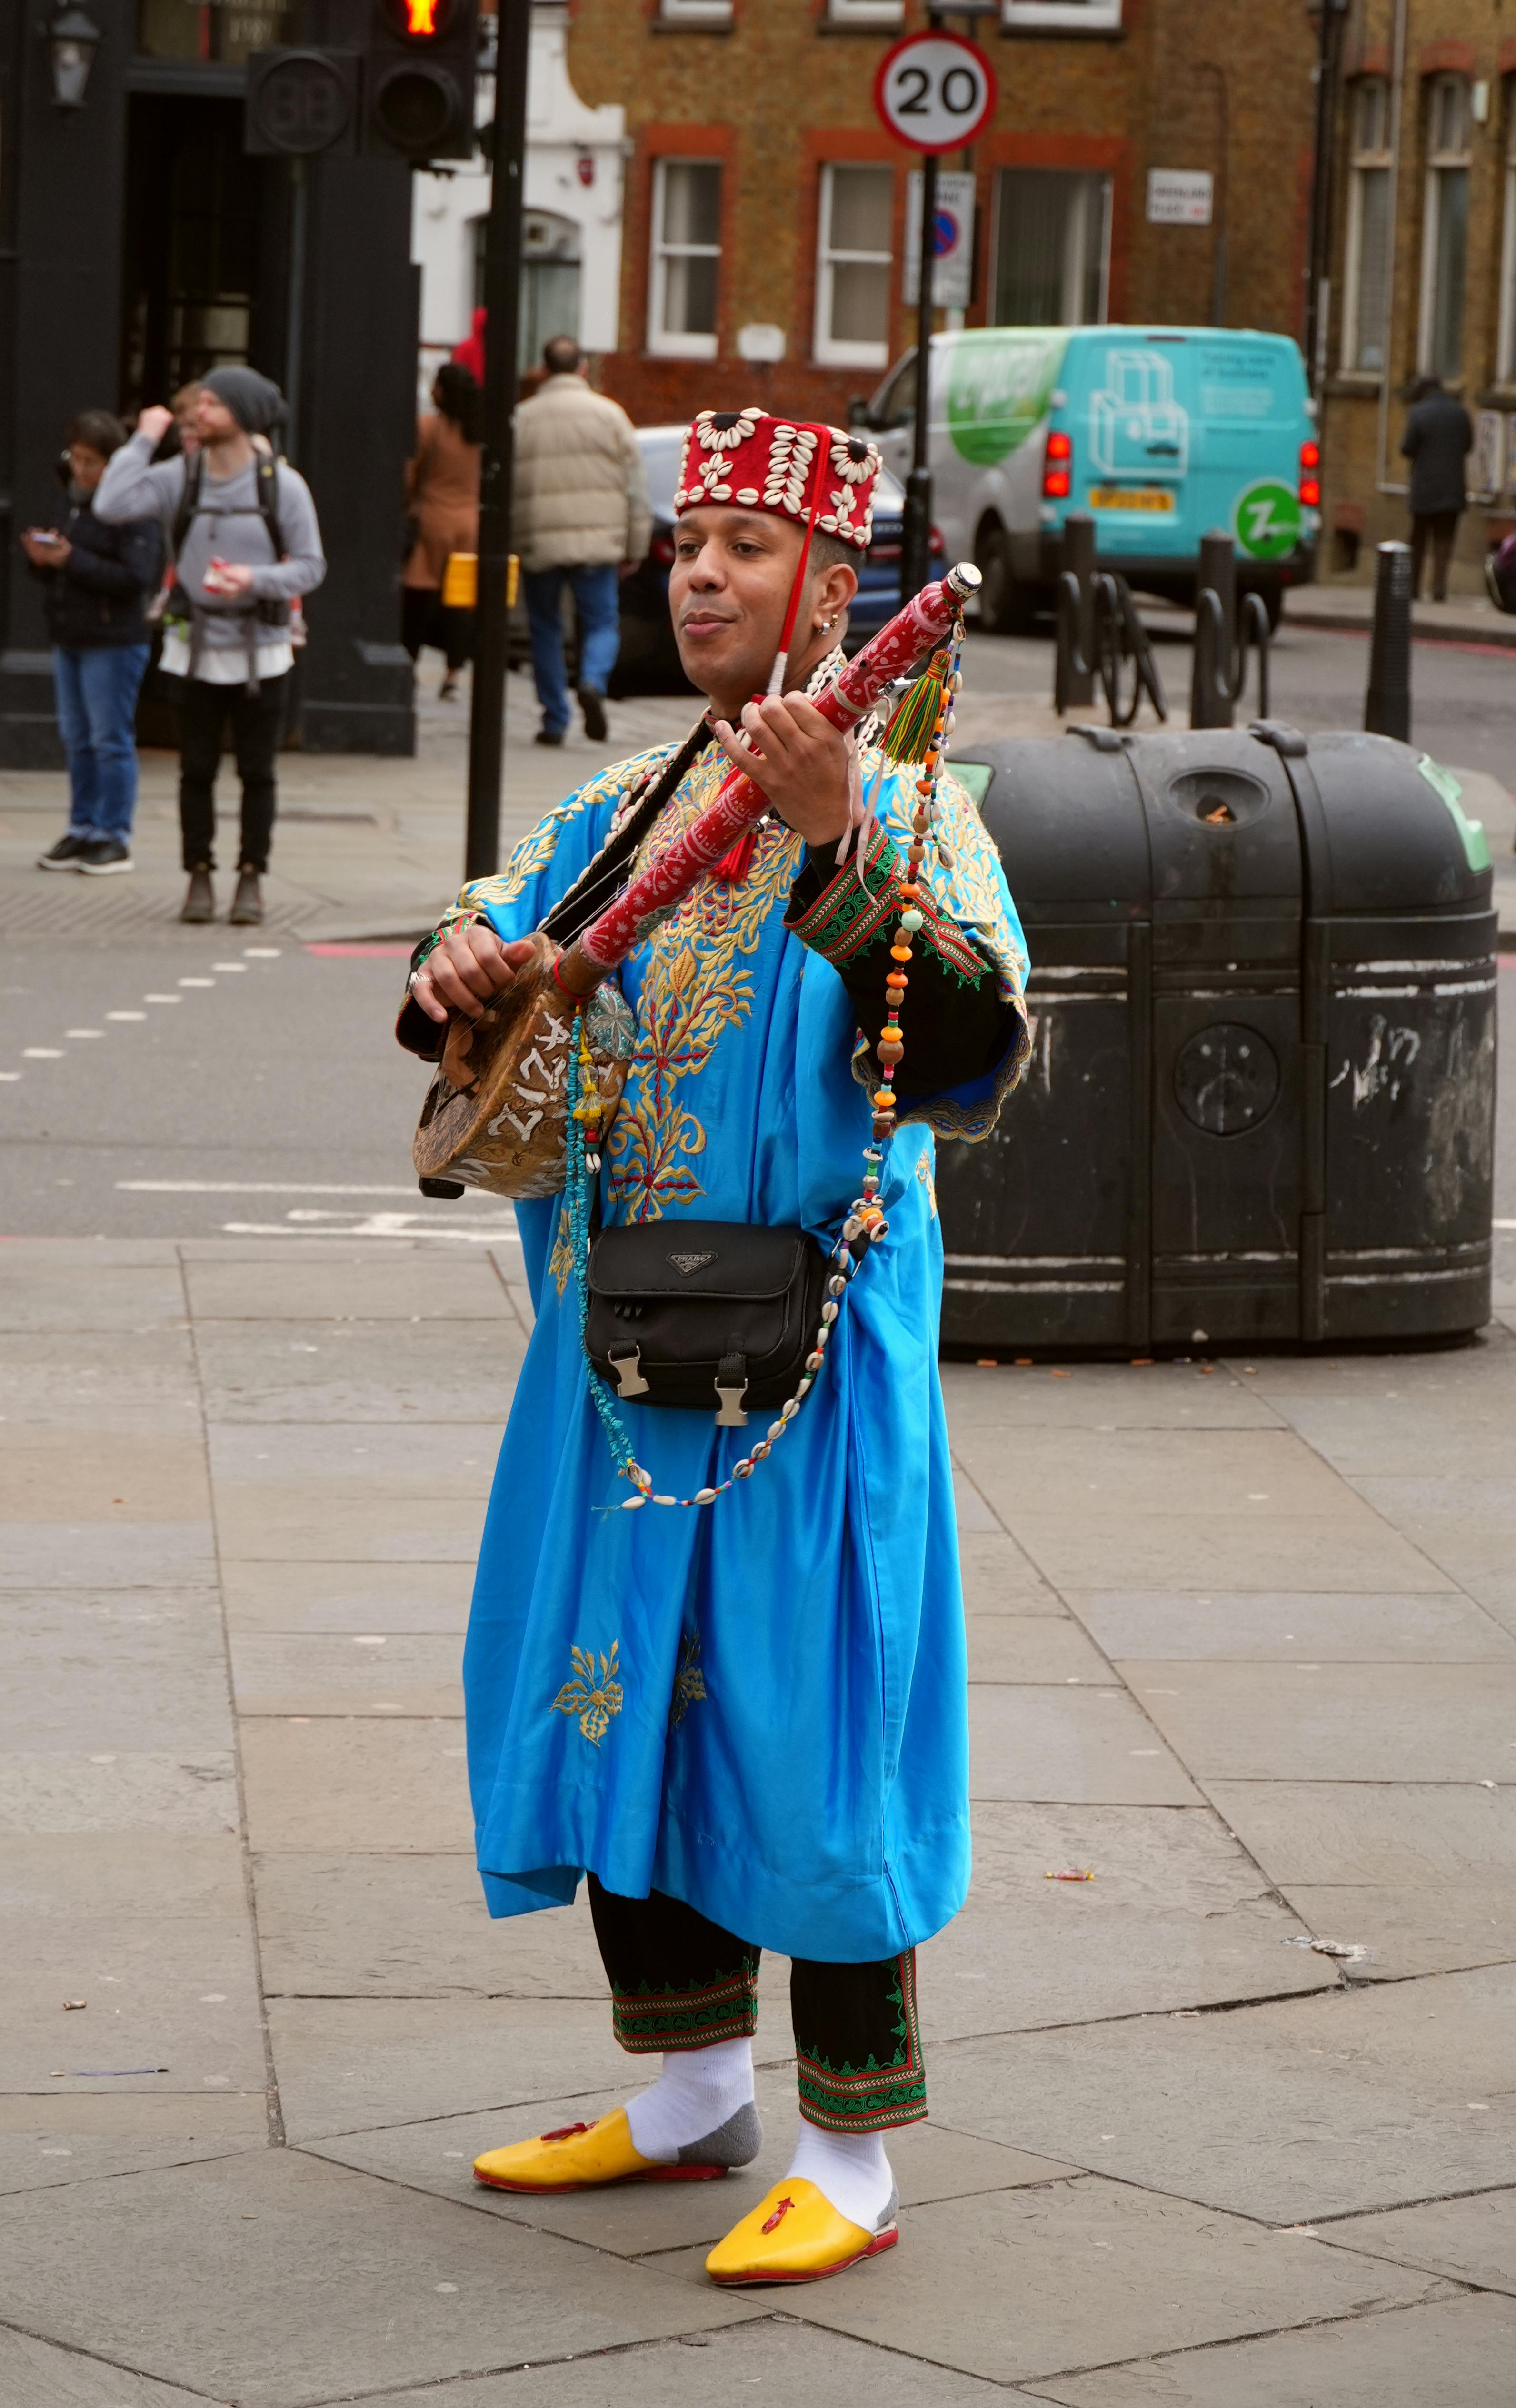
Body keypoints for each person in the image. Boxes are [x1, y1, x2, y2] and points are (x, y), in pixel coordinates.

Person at [395, 410, 1030, 2286]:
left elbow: (977, 1054)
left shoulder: (915, 808)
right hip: (614, 1353)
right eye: (688, 541)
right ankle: (685, 2095)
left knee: (802, 1713)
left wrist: (837, 841)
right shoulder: (610, 817)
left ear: (834, 590)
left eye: (745, 545)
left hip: (806, 1368)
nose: (695, 570)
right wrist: (459, 975)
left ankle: (849, 2146)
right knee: (604, 1688)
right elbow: (489, 976)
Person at [94, 366, 325, 928]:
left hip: (262, 648)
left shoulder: (282, 484)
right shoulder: (181, 474)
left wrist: (252, 579)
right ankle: (198, 873)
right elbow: (111, 504)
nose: (199, 410)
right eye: (200, 402)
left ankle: (251, 877)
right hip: (193, 646)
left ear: (243, 415)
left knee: (258, 771)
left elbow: (311, 566)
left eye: (214, 404)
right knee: (195, 769)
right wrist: (145, 437)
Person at [24, 411, 160, 876]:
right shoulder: (70, 499)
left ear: (113, 462)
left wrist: (72, 559)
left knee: (109, 740)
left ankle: (113, 835)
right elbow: (59, 566)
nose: (80, 470)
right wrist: (43, 559)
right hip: (70, 634)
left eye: (91, 462)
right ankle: (82, 827)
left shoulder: (136, 505)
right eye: (75, 458)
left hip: (114, 639)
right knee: (77, 739)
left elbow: (136, 578)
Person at [513, 335, 650, 747]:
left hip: (540, 542)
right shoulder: (610, 416)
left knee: (545, 629)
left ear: (544, 368)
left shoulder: (522, 417)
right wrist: (636, 545)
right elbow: (636, 487)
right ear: (583, 369)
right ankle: (592, 681)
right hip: (598, 541)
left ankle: (555, 719)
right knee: (602, 622)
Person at [402, 362, 481, 702]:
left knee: (417, 599)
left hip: (432, 520)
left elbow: (409, 475)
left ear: (443, 391)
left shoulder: (427, 427)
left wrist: (406, 507)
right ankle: (453, 674)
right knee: (459, 606)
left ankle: (408, 664)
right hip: (470, 525)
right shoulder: (480, 431)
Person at [1401, 374, 1473, 603]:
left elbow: (1406, 448)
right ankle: (1439, 588)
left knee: (1418, 540)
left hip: (1424, 487)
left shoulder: (1418, 414)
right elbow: (1468, 445)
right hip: (1452, 487)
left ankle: (1413, 588)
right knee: (1444, 539)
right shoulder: (1460, 414)